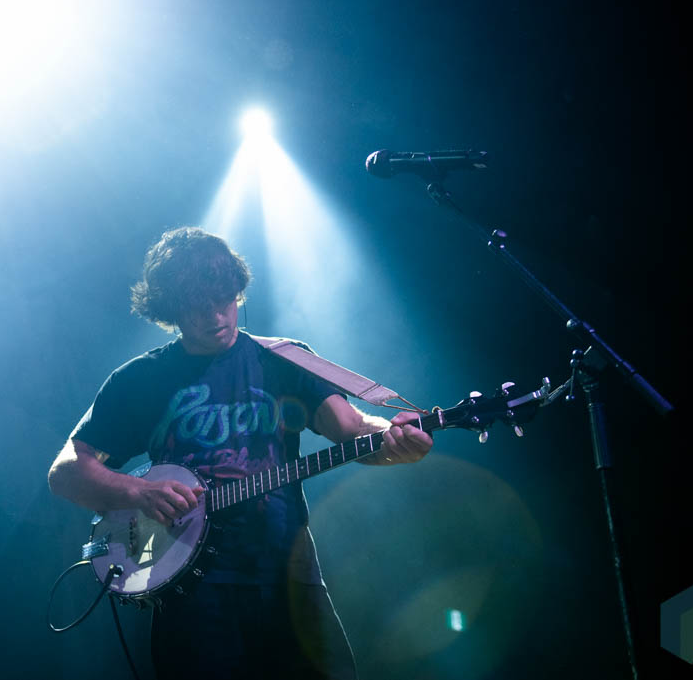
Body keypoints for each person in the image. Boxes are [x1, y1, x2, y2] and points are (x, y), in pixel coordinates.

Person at [48, 227, 433, 679]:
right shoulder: (139, 380)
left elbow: (353, 428)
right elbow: (66, 473)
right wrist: (138, 491)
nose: (218, 317)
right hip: (190, 592)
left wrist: (394, 437)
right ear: (171, 309)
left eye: (226, 299)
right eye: (199, 307)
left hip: (287, 576)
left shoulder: (286, 359)